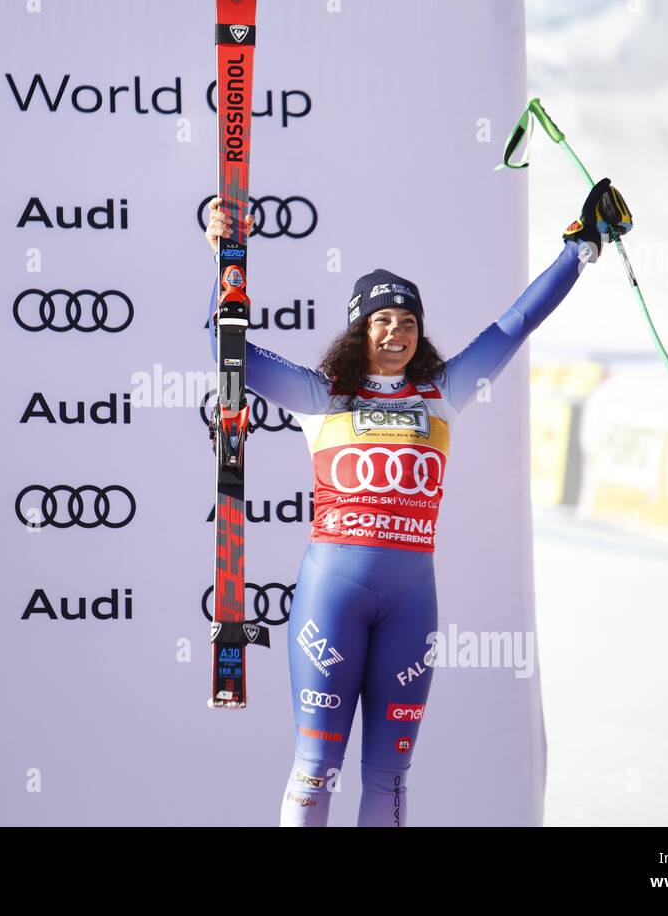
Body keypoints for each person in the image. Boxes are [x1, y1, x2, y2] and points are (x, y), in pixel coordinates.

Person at [205, 181, 632, 826]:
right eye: (383, 320)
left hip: (411, 604)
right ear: (359, 329)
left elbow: (515, 323)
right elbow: (226, 344)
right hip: (332, 596)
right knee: (316, 770)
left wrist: (582, 249)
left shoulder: (443, 393)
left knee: (391, 779)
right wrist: (226, 255)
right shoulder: (322, 396)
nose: (398, 332)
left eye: (408, 322)